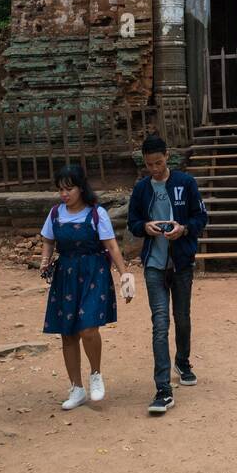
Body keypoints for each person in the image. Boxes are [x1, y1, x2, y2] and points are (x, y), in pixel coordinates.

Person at [40, 162, 134, 410]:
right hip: (65, 275)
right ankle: (76, 388)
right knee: (68, 332)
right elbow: (48, 241)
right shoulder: (55, 214)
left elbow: (112, 246)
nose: (64, 194)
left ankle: (95, 374)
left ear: (81, 188)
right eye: (60, 189)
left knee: (88, 328)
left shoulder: (96, 213)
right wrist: (44, 261)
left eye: (69, 189)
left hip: (94, 273)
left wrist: (125, 275)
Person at [127, 133, 208, 415]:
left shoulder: (186, 183)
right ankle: (162, 389)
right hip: (153, 263)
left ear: (167, 157)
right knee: (159, 324)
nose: (155, 169)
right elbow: (133, 222)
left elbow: (201, 217)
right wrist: (145, 227)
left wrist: (183, 229)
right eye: (149, 165)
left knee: (182, 317)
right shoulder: (141, 189)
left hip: (182, 261)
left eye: (159, 163)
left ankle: (183, 361)